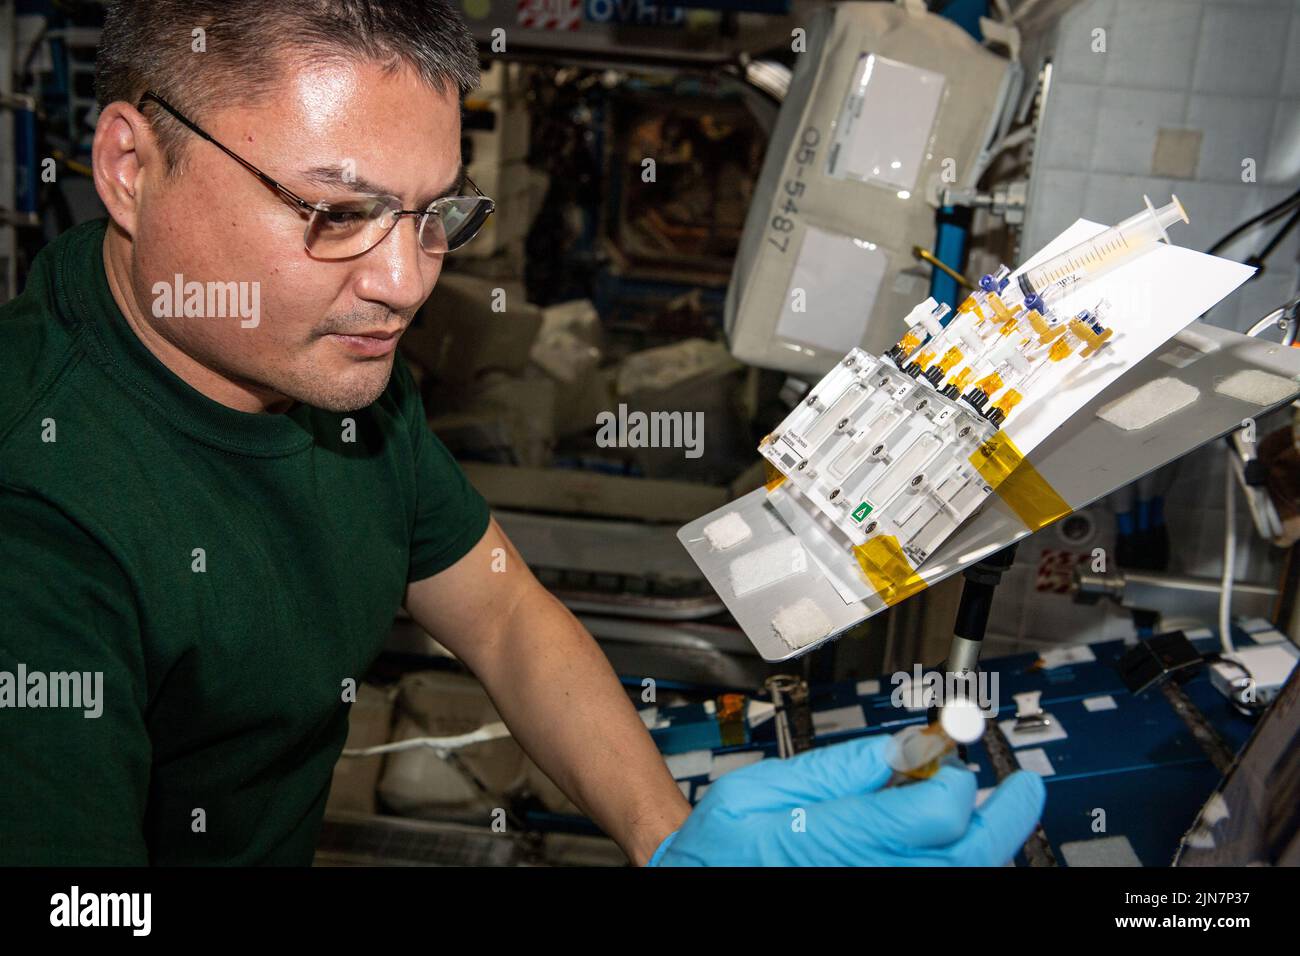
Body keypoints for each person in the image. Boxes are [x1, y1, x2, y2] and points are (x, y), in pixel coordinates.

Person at [0, 0, 1044, 866]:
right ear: (132, 167)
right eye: (333, 213)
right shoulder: (37, 518)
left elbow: (502, 614)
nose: (402, 284)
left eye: (433, 216)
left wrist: (664, 839)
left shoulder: (327, 370)